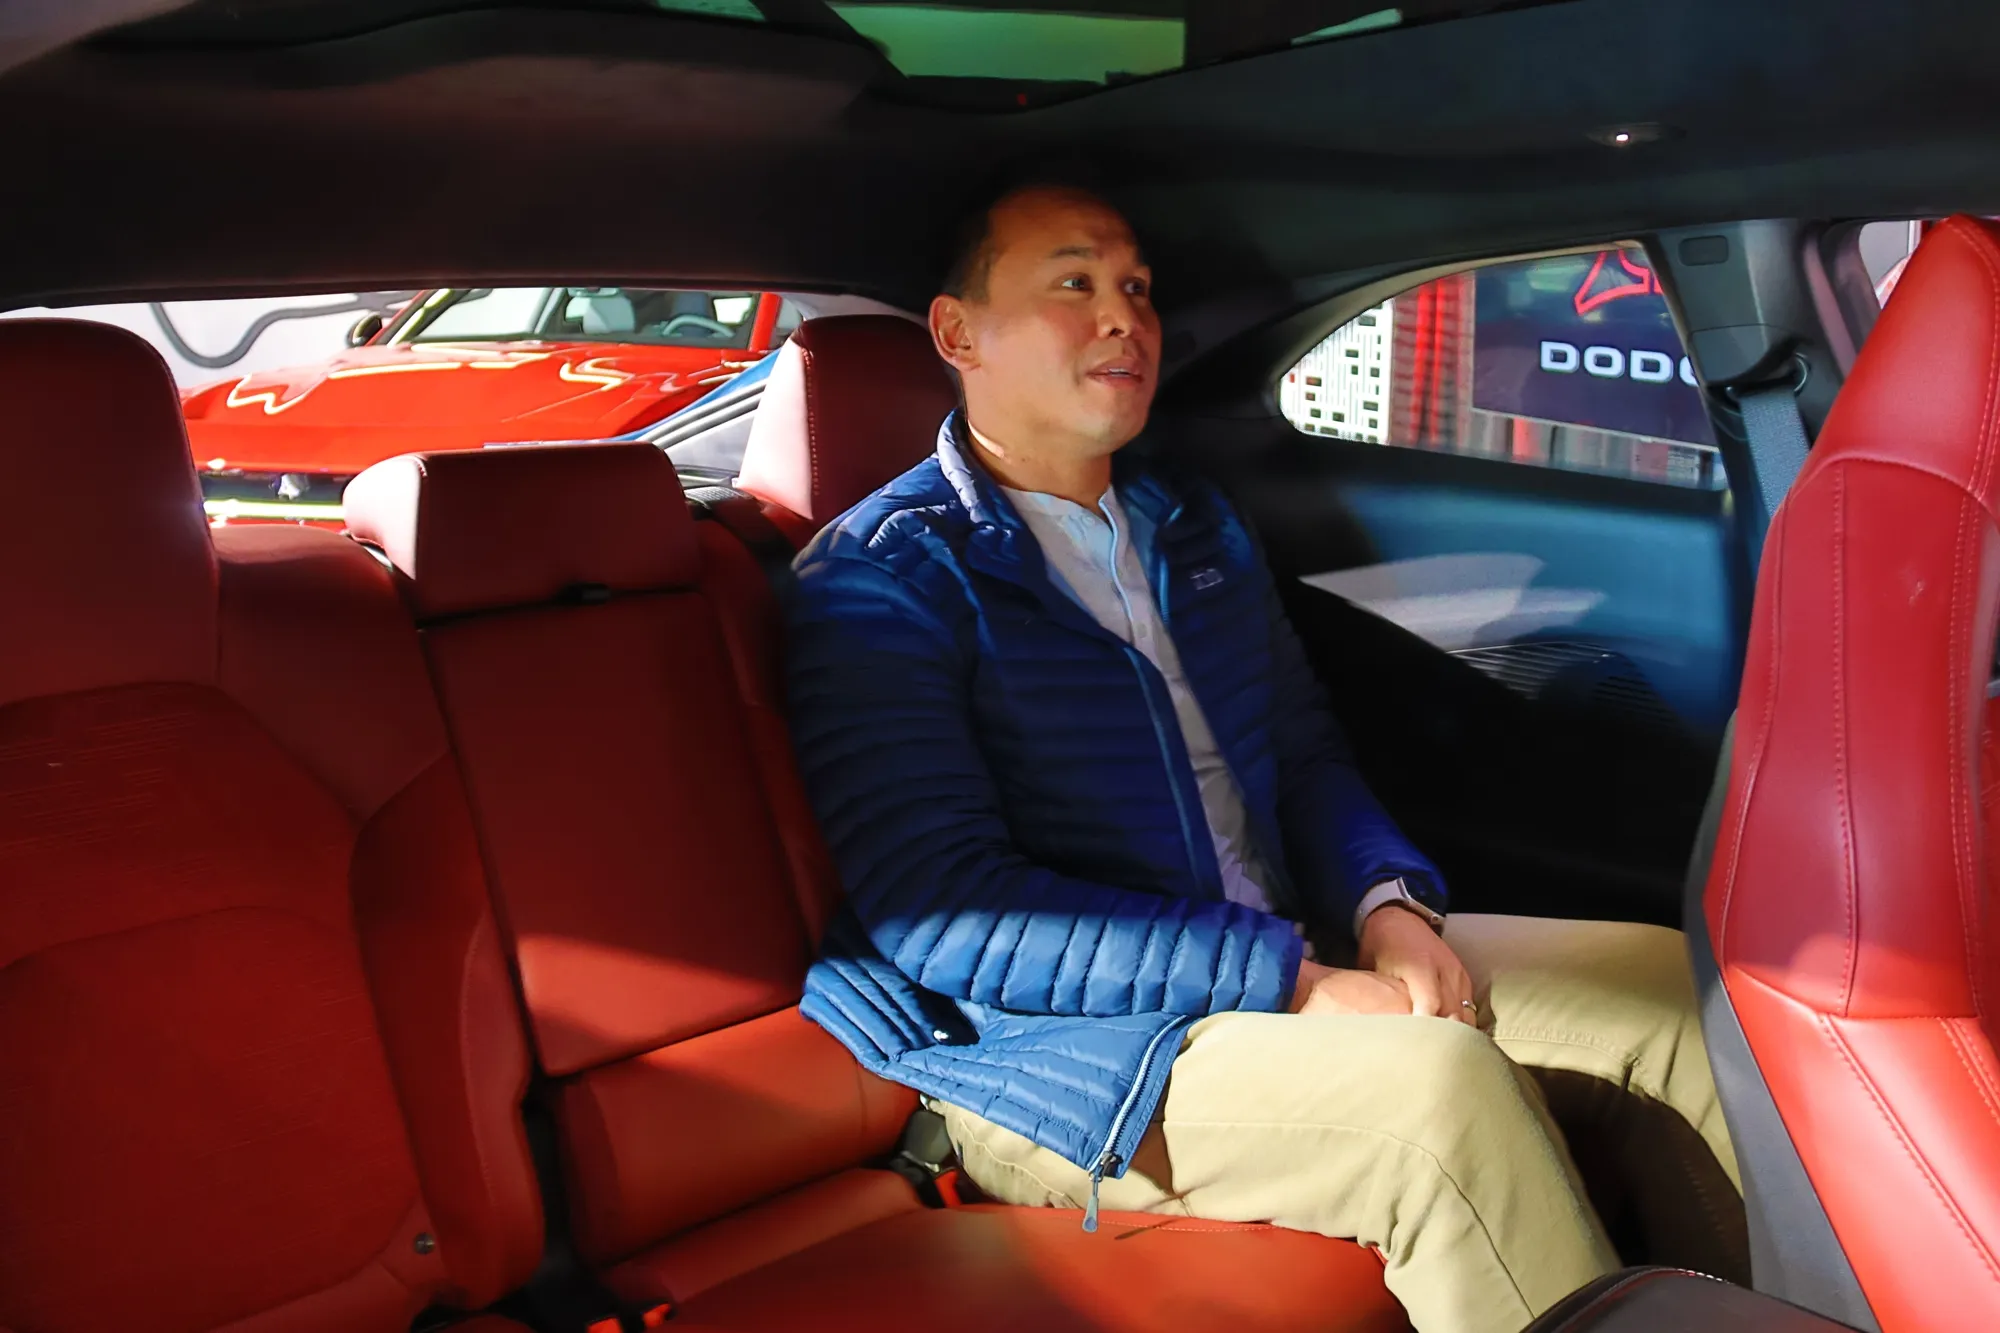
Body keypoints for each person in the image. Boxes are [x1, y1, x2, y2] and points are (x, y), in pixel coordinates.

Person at [787, 177, 1742, 1333]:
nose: (1122, 318)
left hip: (1286, 936)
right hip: (1064, 1053)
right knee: (1433, 1096)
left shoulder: (1189, 522)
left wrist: (1387, 906)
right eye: (1073, 285)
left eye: (1134, 288)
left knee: (1657, 989)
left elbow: (1300, 752)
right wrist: (1285, 979)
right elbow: (945, 921)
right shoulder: (885, 578)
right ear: (957, 334)